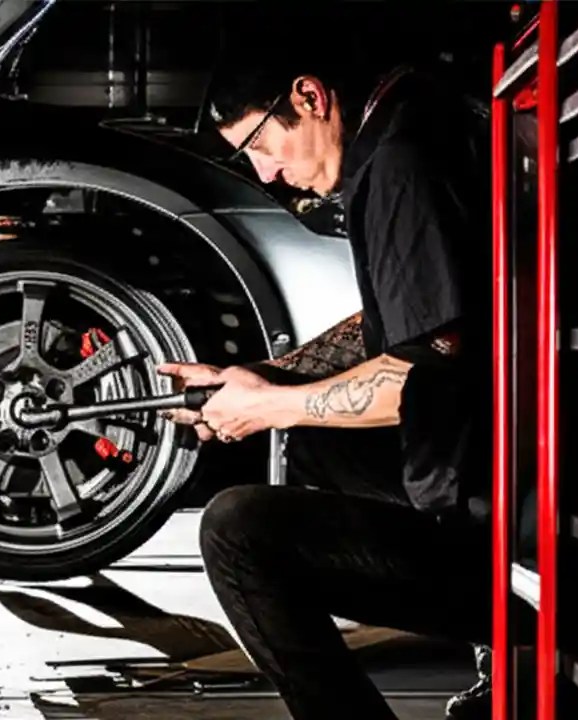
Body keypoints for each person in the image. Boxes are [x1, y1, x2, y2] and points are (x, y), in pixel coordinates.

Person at [158, 49, 508, 720]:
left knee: (236, 533)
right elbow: (394, 323)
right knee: (315, 439)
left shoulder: (402, 164)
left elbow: (423, 366)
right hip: (485, 475)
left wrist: (268, 407)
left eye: (260, 142)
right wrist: (263, 379)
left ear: (311, 97)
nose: (266, 172)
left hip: (497, 537)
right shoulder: (408, 127)